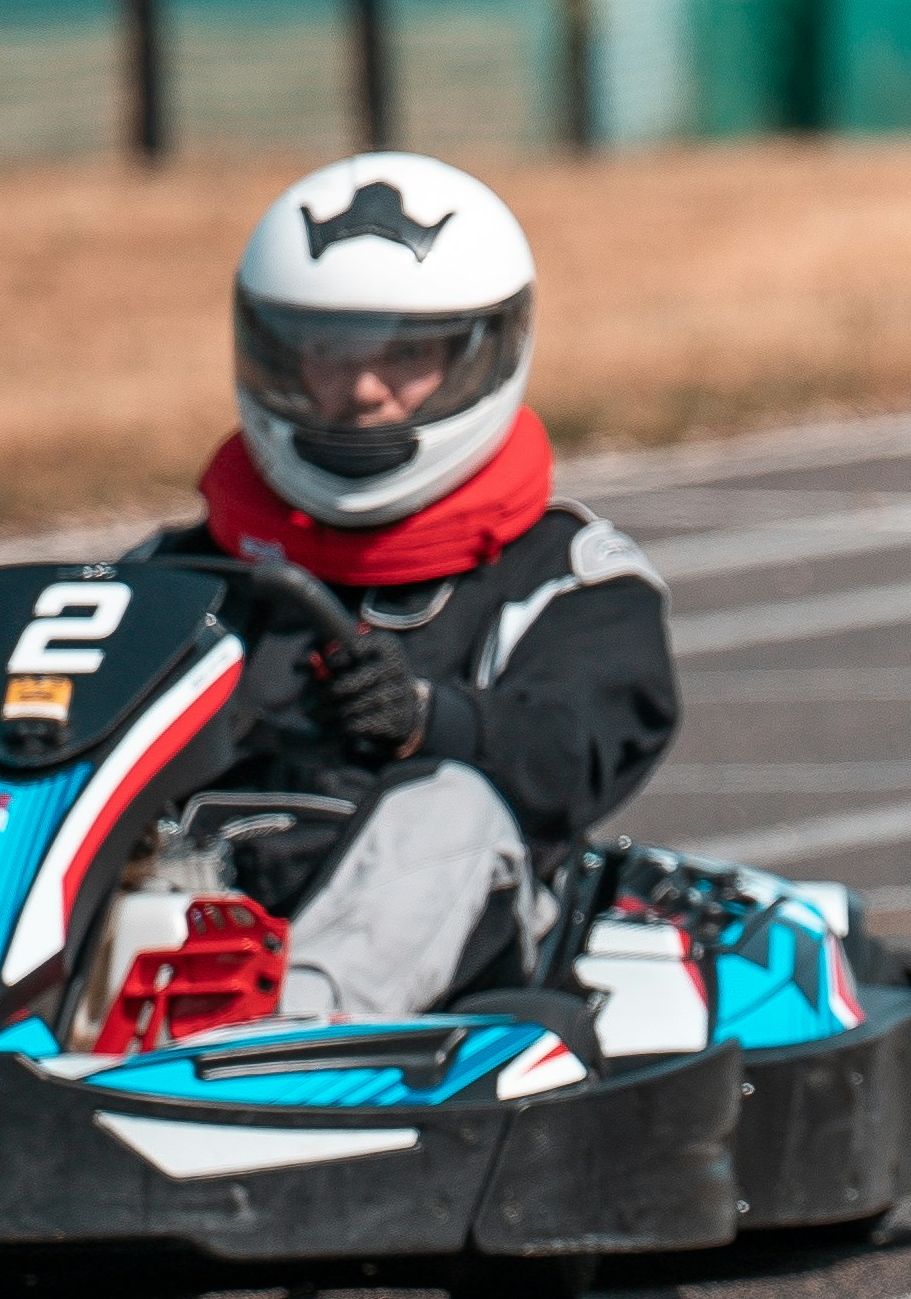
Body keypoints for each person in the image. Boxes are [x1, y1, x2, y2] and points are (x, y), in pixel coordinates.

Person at [147, 151, 676, 1019]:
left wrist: (435, 721)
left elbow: (573, 757)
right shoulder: (184, 571)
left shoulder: (568, 576)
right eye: (325, 352)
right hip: (188, 916)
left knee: (453, 800)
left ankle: (287, 1047)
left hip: (445, 965)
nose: (359, 391)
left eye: (405, 358)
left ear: (481, 356)